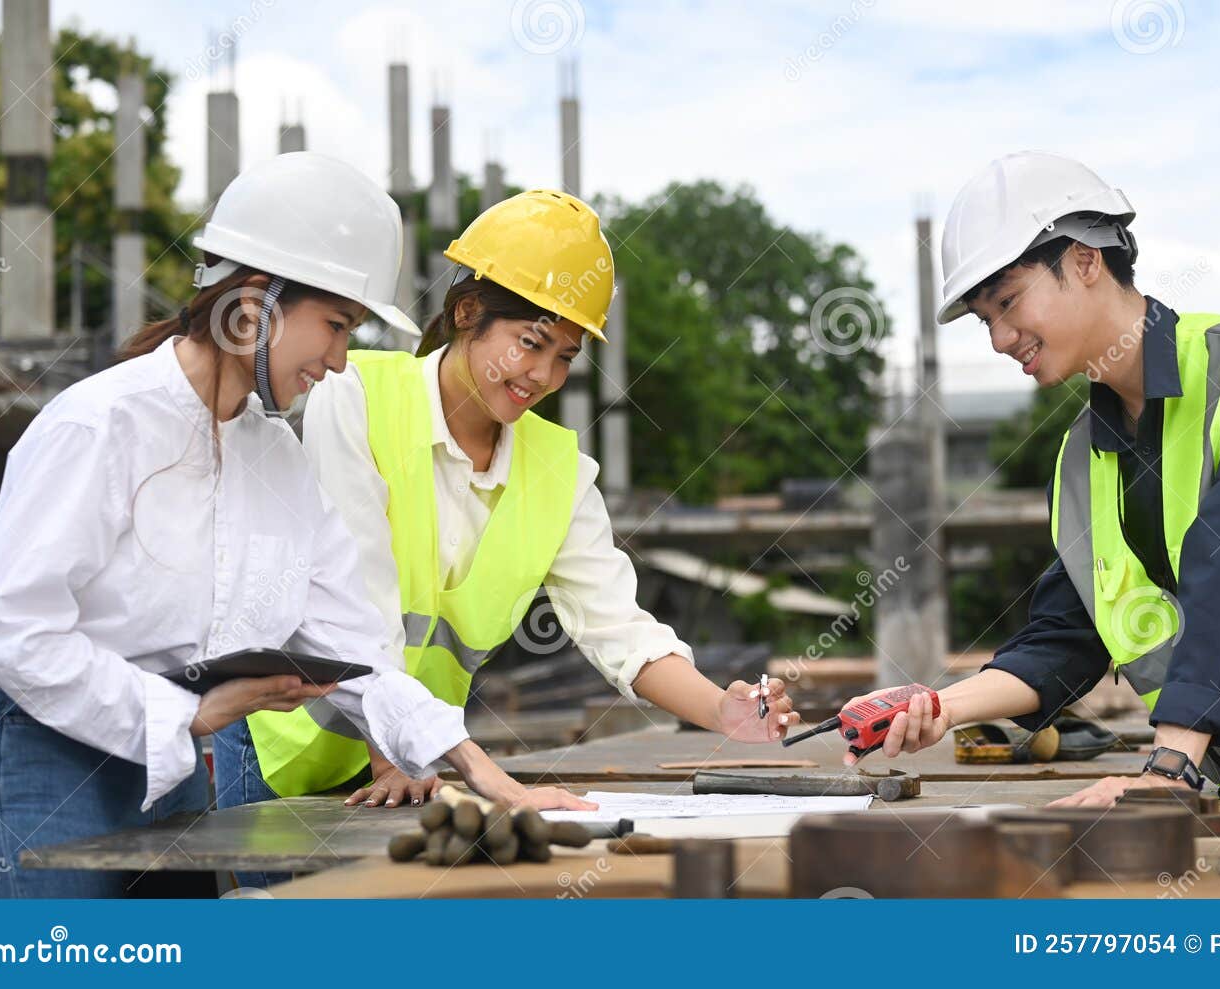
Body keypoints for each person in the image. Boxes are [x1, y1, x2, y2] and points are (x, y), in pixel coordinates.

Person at [846, 151, 1220, 898]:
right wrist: (935, 708)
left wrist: (1168, 767)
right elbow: (1063, 638)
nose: (1000, 338)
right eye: (985, 320)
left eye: (1008, 302)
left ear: (1082, 261)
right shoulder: (1080, 460)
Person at [0, 152, 501, 897]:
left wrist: (482, 770)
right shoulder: (99, 424)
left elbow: (355, 647)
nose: (340, 362)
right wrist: (193, 711)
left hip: (170, 772)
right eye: (335, 326)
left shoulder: (276, 457)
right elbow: (10, 629)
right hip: (45, 768)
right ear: (252, 306)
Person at [214, 190, 801, 817]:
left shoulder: (560, 471)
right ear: (468, 313)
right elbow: (359, 595)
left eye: (565, 357)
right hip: (278, 737)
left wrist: (720, 711)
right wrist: (398, 754)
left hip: (416, 756)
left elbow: (618, 628)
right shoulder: (355, 395)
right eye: (530, 342)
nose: (543, 376)